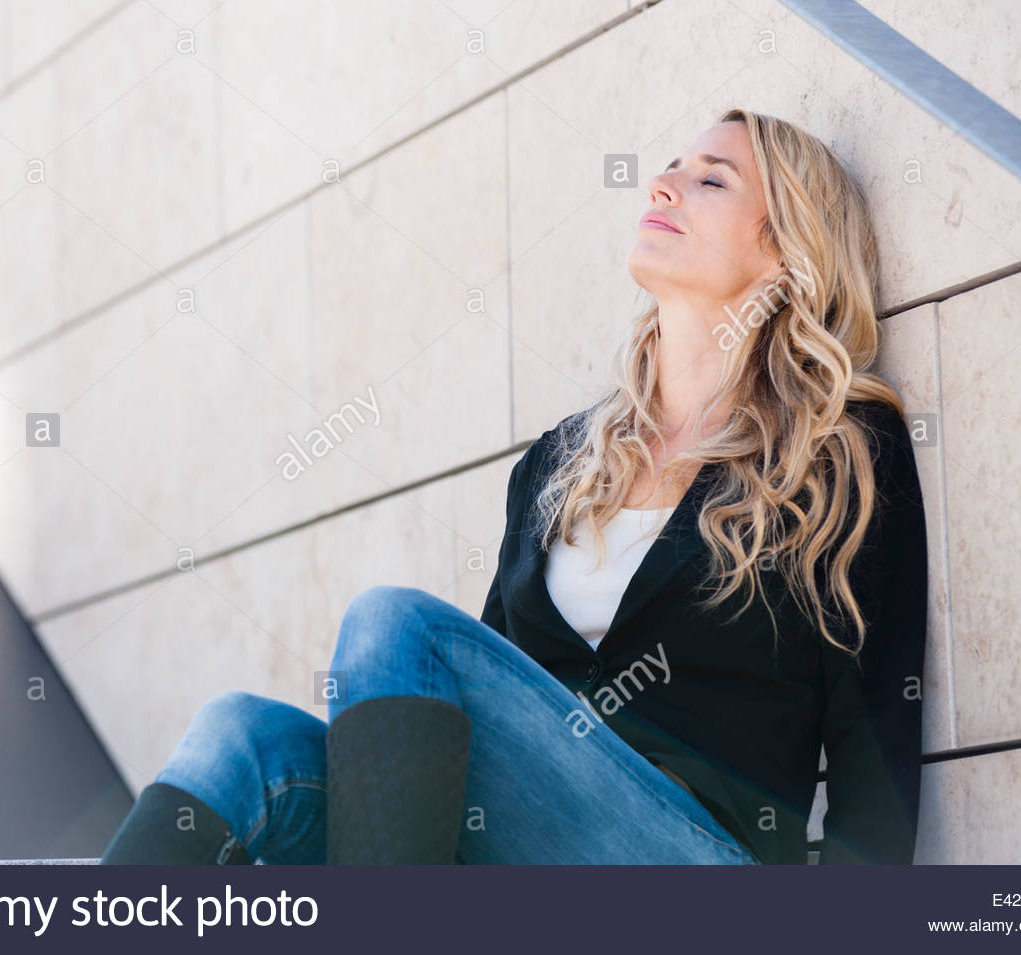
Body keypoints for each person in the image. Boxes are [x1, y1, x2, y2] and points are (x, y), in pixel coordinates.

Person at [100, 107, 928, 866]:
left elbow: (876, 743)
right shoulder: (562, 464)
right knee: (240, 738)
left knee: (395, 624)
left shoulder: (838, 450)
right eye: (671, 167)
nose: (662, 185)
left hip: (695, 863)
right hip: (531, 859)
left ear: (785, 251)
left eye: (712, 180)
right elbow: (487, 710)